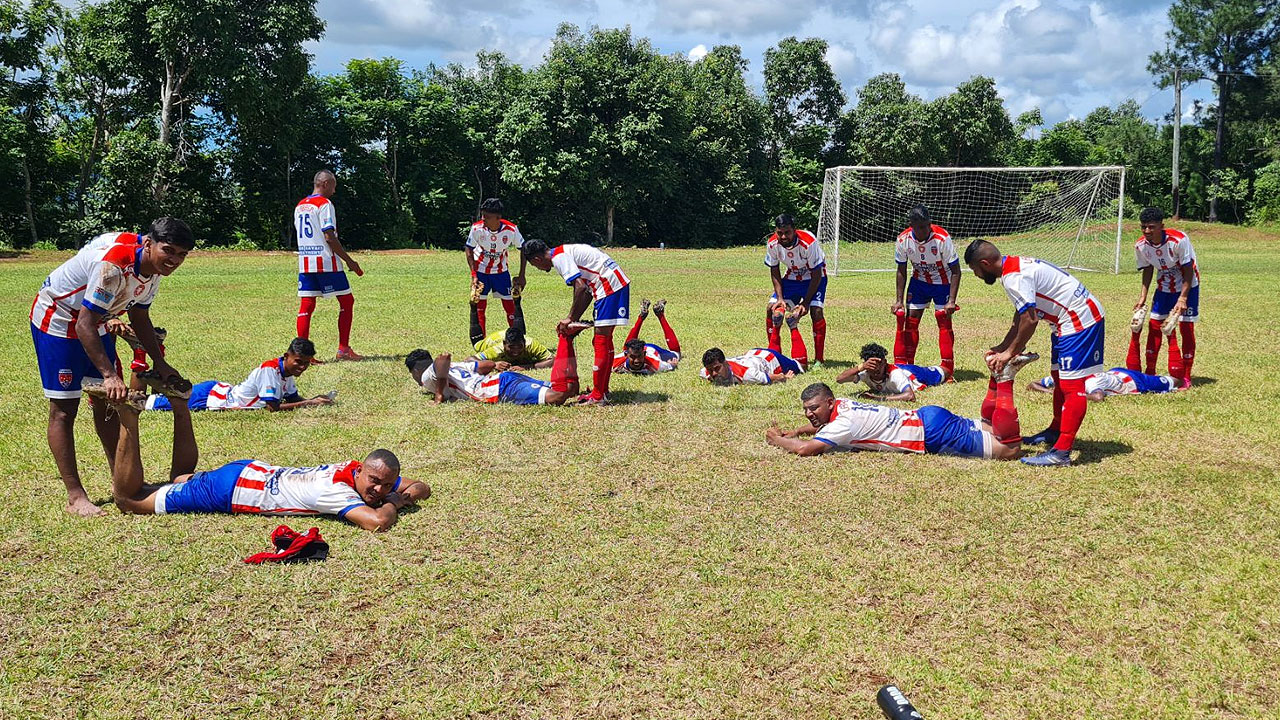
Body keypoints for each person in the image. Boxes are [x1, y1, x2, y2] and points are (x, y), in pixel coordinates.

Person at [92, 385, 427, 531]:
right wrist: (395, 502)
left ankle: (181, 405)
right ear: (362, 473)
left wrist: (400, 491)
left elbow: (421, 486)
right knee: (129, 500)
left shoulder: (353, 469)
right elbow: (378, 523)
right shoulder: (337, 493)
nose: (378, 490)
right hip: (232, 491)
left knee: (179, 478)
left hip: (249, 470)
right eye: (374, 482)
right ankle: (128, 417)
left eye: (385, 485)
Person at [30, 218, 194, 516]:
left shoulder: (154, 268)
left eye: (181, 255)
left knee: (108, 405)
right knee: (64, 409)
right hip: (60, 318)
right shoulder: (114, 266)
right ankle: (75, 496)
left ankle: (123, 480)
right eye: (168, 251)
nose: (174, 261)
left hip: (96, 321)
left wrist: (160, 362)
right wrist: (109, 374)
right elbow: (83, 323)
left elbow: (140, 316)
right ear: (148, 243)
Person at [965, 239, 1106, 467]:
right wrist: (1004, 347)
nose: (976, 275)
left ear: (984, 263)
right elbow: (1021, 315)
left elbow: (1030, 320)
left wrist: (1010, 352)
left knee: (1072, 387)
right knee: (1060, 379)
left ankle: (1061, 452)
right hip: (1064, 322)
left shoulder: (1014, 277)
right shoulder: (1012, 266)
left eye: (975, 269)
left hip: (1079, 319)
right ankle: (1055, 431)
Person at [764, 366, 1035, 460]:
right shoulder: (844, 406)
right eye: (806, 411)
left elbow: (805, 450)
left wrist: (777, 439)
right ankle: (994, 380)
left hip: (930, 434)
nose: (810, 415)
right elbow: (826, 429)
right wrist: (799, 429)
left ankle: (1004, 379)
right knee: (992, 426)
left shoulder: (841, 425)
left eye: (814, 409)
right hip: (929, 416)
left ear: (830, 403)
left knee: (1010, 450)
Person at [523, 238, 630, 405]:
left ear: (536, 259)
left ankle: (598, 395)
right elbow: (586, 291)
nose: (539, 269)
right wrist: (574, 318)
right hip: (612, 282)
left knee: (601, 340)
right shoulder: (561, 251)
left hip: (608, 285)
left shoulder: (559, 258)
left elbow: (580, 287)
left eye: (535, 266)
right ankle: (601, 390)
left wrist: (570, 318)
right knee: (603, 340)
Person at [406, 322, 591, 405]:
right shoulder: (458, 365)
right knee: (570, 389)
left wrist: (439, 396)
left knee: (558, 397)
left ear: (415, 370)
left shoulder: (425, 375)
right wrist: (494, 365)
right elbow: (483, 366)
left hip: (496, 388)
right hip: (504, 378)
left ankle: (565, 338)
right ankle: (568, 339)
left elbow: (442, 358)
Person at [143, 337, 335, 412]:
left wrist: (315, 399)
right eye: (298, 362)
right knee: (153, 404)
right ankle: (140, 384)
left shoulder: (287, 373)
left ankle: (154, 381)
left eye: (306, 364)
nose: (301, 367)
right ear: (286, 356)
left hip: (219, 390)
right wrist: (308, 403)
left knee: (166, 397)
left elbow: (293, 398)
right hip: (211, 398)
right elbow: (272, 408)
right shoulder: (270, 370)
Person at [295, 169, 364, 361]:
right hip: (326, 262)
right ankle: (343, 349)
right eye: (333, 186)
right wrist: (350, 261)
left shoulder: (300, 205)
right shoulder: (324, 204)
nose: (334, 191)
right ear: (324, 184)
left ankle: (301, 355)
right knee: (347, 301)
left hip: (305, 263)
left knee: (306, 305)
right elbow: (329, 236)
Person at [1129, 207, 1199, 388]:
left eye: (1151, 227)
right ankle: (1150, 373)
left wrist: (1183, 298)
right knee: (1155, 326)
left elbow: (1188, 270)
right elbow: (1148, 269)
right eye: (1143, 227)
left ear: (1162, 226)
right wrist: (1142, 296)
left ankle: (1185, 376)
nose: (1147, 231)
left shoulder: (1179, 240)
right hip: (1164, 286)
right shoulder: (1141, 246)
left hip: (1187, 285)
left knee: (1185, 327)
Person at [892, 205, 960, 376]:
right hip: (919, 282)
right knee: (911, 322)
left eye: (927, 225)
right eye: (920, 227)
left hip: (942, 283)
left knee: (944, 323)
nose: (925, 230)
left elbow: (956, 271)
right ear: (911, 225)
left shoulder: (942, 238)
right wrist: (899, 300)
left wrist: (951, 300)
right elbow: (901, 270)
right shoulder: (903, 239)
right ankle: (908, 367)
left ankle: (948, 368)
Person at [764, 214, 826, 366]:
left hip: (815, 277)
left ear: (794, 230)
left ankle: (819, 359)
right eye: (780, 233)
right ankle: (775, 355)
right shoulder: (772, 243)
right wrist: (779, 298)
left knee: (816, 311)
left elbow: (817, 273)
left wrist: (805, 302)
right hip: (792, 276)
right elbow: (774, 269)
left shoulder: (808, 242)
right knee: (772, 309)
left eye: (787, 232)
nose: (783, 236)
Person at [466, 198, 528, 343]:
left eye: (487, 217)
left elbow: (523, 249)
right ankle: (481, 342)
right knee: (480, 307)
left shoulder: (511, 229)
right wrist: (474, 274)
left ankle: (516, 340)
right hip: (481, 272)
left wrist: (522, 275)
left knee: (511, 306)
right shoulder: (477, 228)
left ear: (498, 218)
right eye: (482, 216)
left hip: (501, 273)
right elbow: (469, 249)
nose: (483, 219)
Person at [836, 342, 946, 402]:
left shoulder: (896, 375)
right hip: (898, 368)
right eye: (871, 367)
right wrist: (860, 367)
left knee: (944, 372)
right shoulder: (866, 373)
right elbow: (840, 379)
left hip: (913, 373)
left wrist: (879, 398)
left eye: (878, 367)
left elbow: (910, 396)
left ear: (884, 363)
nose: (875, 371)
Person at [613, 299, 681, 375]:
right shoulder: (615, 362)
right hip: (636, 349)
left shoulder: (656, 365)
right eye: (633, 357)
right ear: (626, 356)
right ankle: (645, 316)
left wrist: (672, 365)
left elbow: (671, 366)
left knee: (677, 354)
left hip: (654, 350)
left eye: (639, 356)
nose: (636, 361)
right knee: (627, 348)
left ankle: (660, 315)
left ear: (644, 354)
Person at [1029, 368, 1182, 401]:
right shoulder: (1064, 374)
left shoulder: (1091, 381)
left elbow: (1098, 397)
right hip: (1114, 372)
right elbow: (1032, 384)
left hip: (1132, 381)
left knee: (1174, 381)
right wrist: (1052, 392)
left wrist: (1060, 394)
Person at [701, 347, 803, 386]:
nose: (713, 373)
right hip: (752, 353)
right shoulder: (705, 372)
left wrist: (785, 377)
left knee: (802, 366)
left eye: (717, 368)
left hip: (770, 358)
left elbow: (772, 377)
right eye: (710, 370)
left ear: (725, 363)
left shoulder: (747, 375)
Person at [467, 326, 553, 370]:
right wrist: (493, 365)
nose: (516, 351)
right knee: (477, 346)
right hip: (486, 342)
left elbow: (553, 360)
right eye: (511, 347)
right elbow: (469, 360)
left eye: (519, 347)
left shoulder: (531, 344)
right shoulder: (497, 350)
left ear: (525, 343)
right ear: (504, 344)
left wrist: (528, 366)